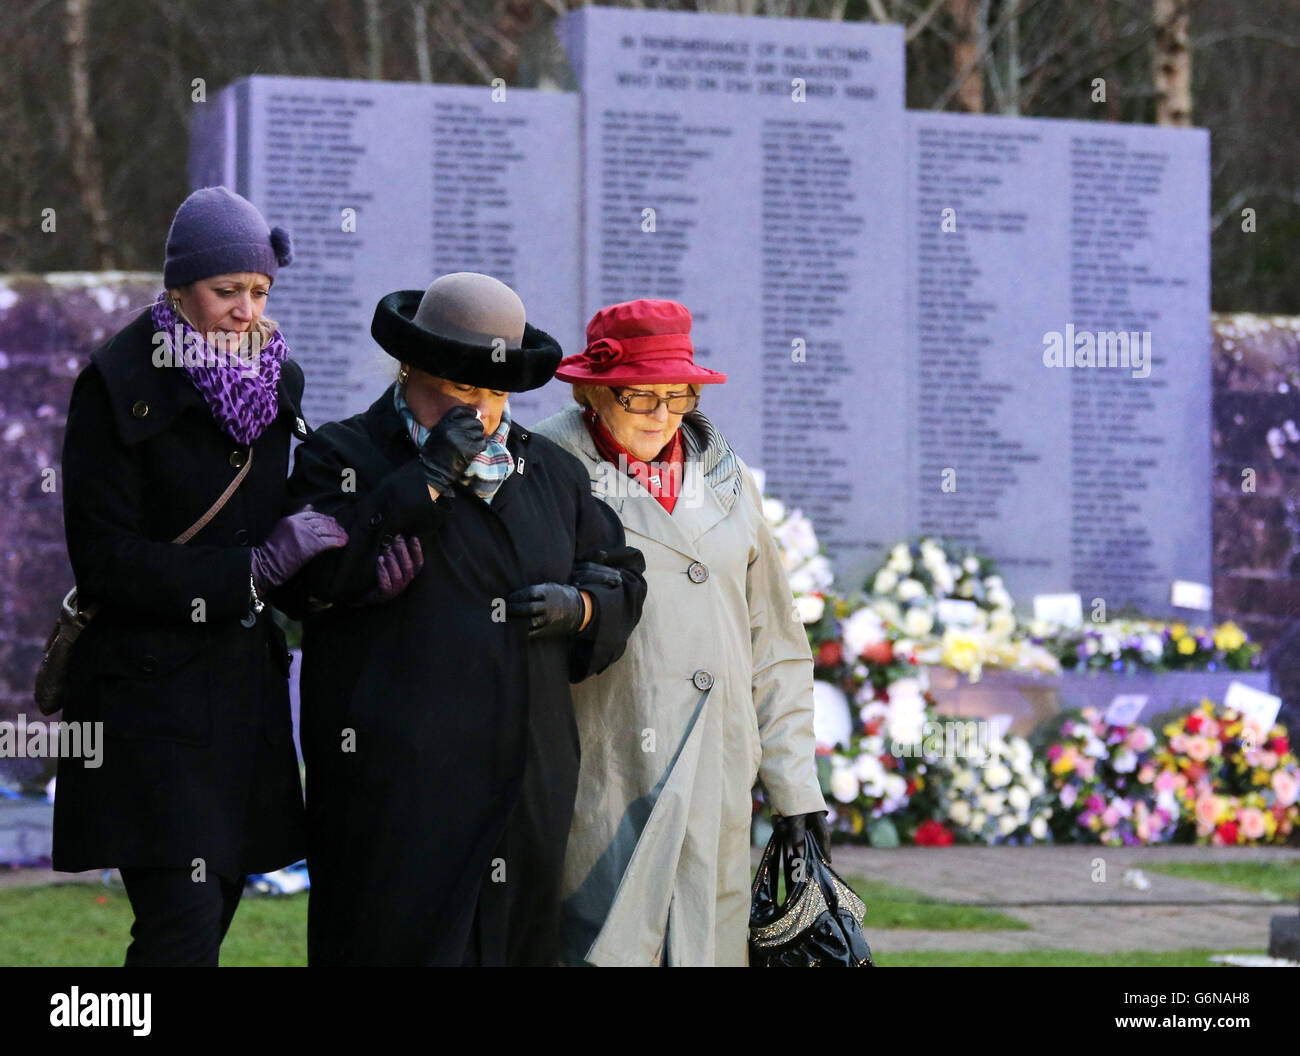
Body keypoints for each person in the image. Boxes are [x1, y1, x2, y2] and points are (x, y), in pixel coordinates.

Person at [286, 272, 647, 966]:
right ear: (412, 366)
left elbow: (620, 571)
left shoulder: (551, 471)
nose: (483, 411)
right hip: (396, 791)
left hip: (524, 783)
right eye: (461, 388)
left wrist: (586, 607)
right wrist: (424, 476)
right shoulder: (343, 455)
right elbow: (314, 578)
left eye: (497, 390)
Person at [53, 186, 348, 966]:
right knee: (180, 925)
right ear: (179, 289)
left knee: (210, 911)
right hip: (147, 698)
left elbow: (280, 527)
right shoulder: (116, 381)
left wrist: (346, 562)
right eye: (227, 291)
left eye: (260, 290)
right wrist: (245, 571)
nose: (247, 309)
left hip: (240, 697)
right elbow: (106, 559)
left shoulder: (280, 382)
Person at [533, 298, 829, 966]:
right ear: (595, 392)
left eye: (680, 395)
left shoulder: (730, 478)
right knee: (598, 943)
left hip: (716, 773)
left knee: (707, 942)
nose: (664, 415)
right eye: (640, 397)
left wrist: (796, 790)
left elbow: (775, 643)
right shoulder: (547, 465)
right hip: (605, 768)